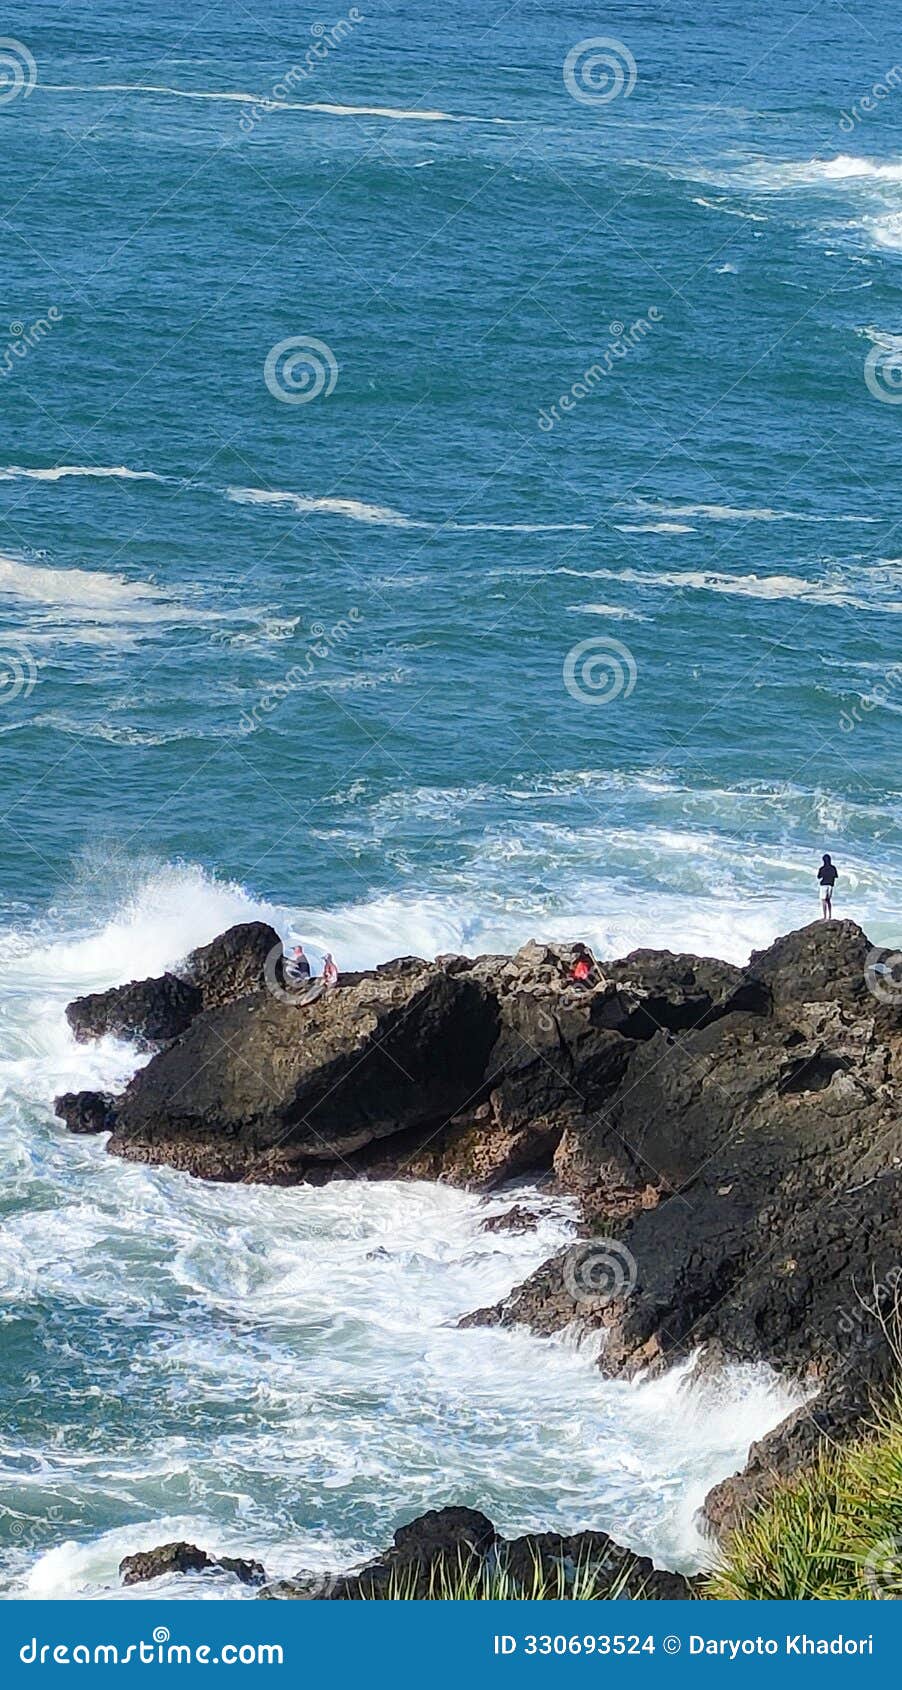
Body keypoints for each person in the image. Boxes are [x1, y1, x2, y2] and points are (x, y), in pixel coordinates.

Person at [817, 854, 838, 920]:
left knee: (823, 900)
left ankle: (825, 916)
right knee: (828, 900)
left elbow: (818, 877)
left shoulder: (822, 868)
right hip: (830, 885)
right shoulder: (833, 868)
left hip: (823, 885)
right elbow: (836, 876)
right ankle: (830, 916)